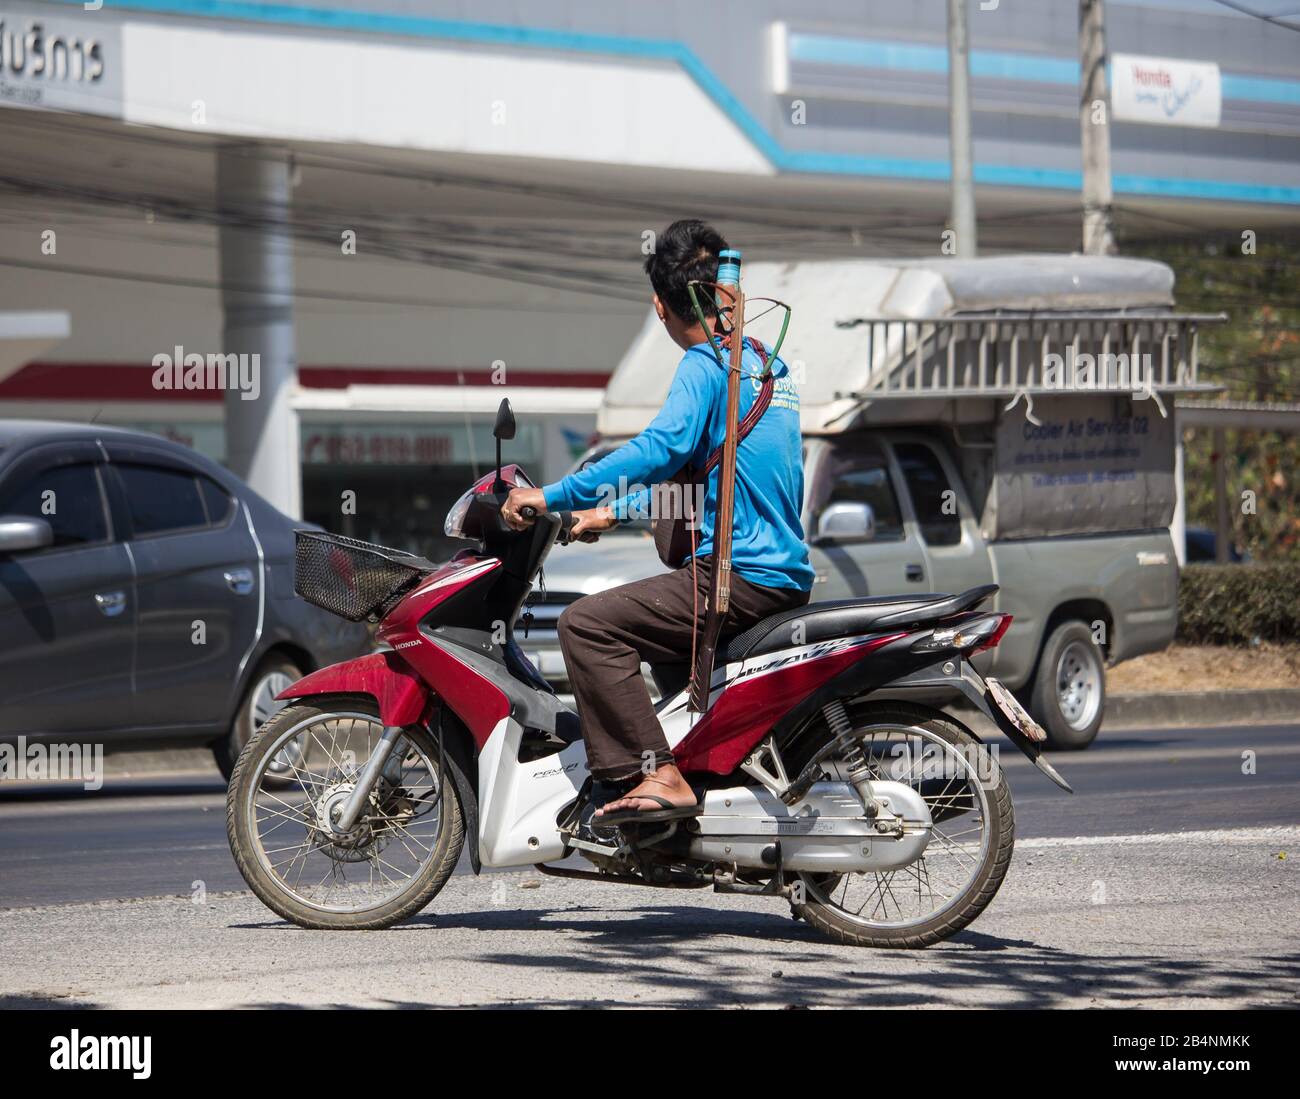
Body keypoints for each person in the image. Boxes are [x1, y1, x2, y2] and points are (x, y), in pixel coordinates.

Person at [501, 219, 813, 821]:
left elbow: (659, 451)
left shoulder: (705, 366)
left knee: (587, 627)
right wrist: (609, 513)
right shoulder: (766, 367)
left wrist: (551, 496)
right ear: (726, 290)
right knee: (656, 652)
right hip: (777, 572)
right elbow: (711, 486)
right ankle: (696, 785)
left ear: (660, 306)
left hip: (737, 576)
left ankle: (656, 776)